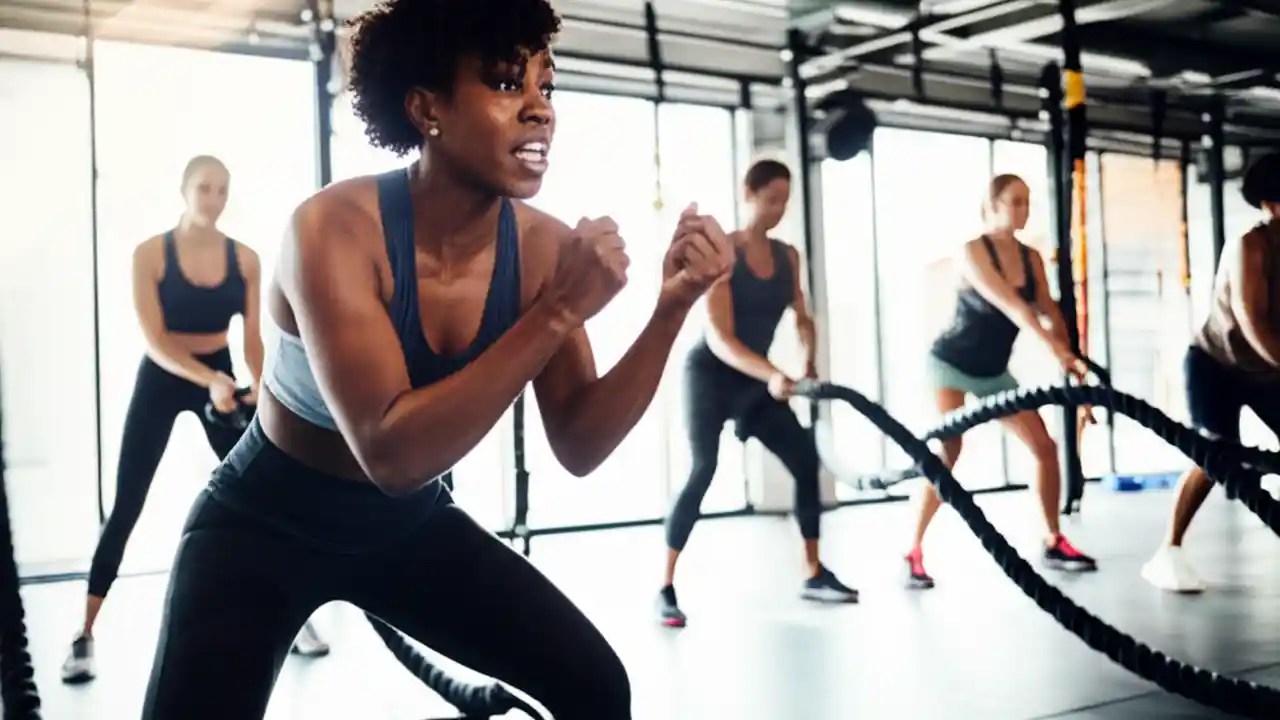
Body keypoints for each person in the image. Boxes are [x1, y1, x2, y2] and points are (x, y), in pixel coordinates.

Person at [138, 0, 734, 717]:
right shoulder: (333, 229)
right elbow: (390, 453)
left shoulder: (543, 250)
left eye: (548, 86)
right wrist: (556, 314)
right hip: (263, 522)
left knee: (596, 688)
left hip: (406, 528)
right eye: (509, 84)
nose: (540, 110)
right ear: (428, 108)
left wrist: (671, 309)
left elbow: (579, 442)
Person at [60, 156, 329, 685]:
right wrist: (204, 379)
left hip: (223, 378)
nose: (214, 197)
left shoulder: (245, 260)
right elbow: (155, 339)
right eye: (204, 188)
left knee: (262, 500)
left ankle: (297, 621)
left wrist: (262, 396)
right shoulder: (151, 254)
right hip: (164, 376)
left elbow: (253, 342)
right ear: (184, 190)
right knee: (128, 502)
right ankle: (84, 633)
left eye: (222, 189)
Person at [656, 159, 858, 629]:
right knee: (703, 468)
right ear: (748, 195)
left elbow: (802, 315)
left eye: (784, 201)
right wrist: (772, 374)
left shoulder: (788, 257)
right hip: (711, 373)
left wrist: (808, 358)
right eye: (770, 200)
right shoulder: (725, 251)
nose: (778, 210)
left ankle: (813, 572)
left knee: (806, 460)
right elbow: (722, 338)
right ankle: (665, 586)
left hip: (756, 379)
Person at [905, 173, 1098, 590]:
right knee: (948, 451)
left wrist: (1073, 367)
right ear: (992, 206)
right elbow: (1015, 309)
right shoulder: (973, 251)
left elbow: (1050, 311)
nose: (1022, 210)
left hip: (993, 371)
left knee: (1044, 448)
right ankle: (914, 549)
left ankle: (1053, 539)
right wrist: (1058, 353)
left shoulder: (1031, 259)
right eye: (1014, 201)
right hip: (950, 364)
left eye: (1026, 202)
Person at [1142, 152, 1280, 593]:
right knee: (1213, 454)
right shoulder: (1251, 245)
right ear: (1272, 204)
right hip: (1215, 366)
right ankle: (1170, 549)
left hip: (1265, 371)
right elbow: (1250, 318)